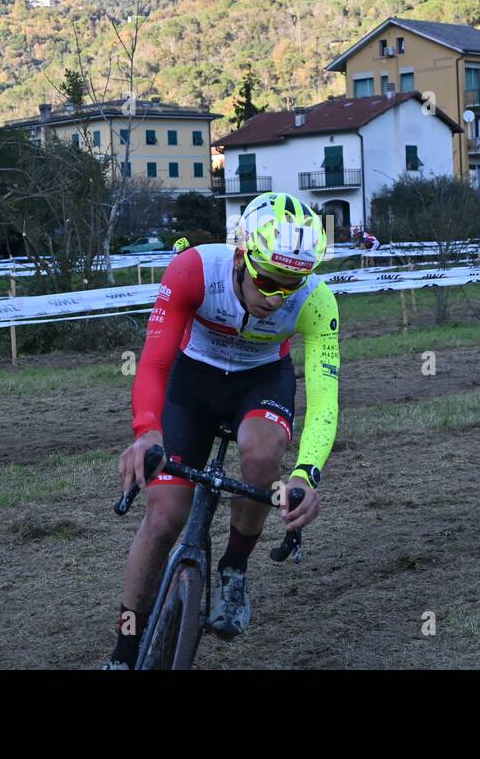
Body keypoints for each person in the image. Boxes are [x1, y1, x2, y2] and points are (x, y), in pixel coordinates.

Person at [107, 191, 340, 668]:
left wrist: (306, 474)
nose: (279, 298)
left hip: (258, 383)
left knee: (262, 456)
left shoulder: (316, 301)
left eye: (293, 284)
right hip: (191, 382)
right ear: (241, 257)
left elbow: (324, 397)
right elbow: (153, 362)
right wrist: (147, 431)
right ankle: (124, 651)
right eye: (269, 281)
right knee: (163, 518)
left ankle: (234, 568)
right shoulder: (194, 269)